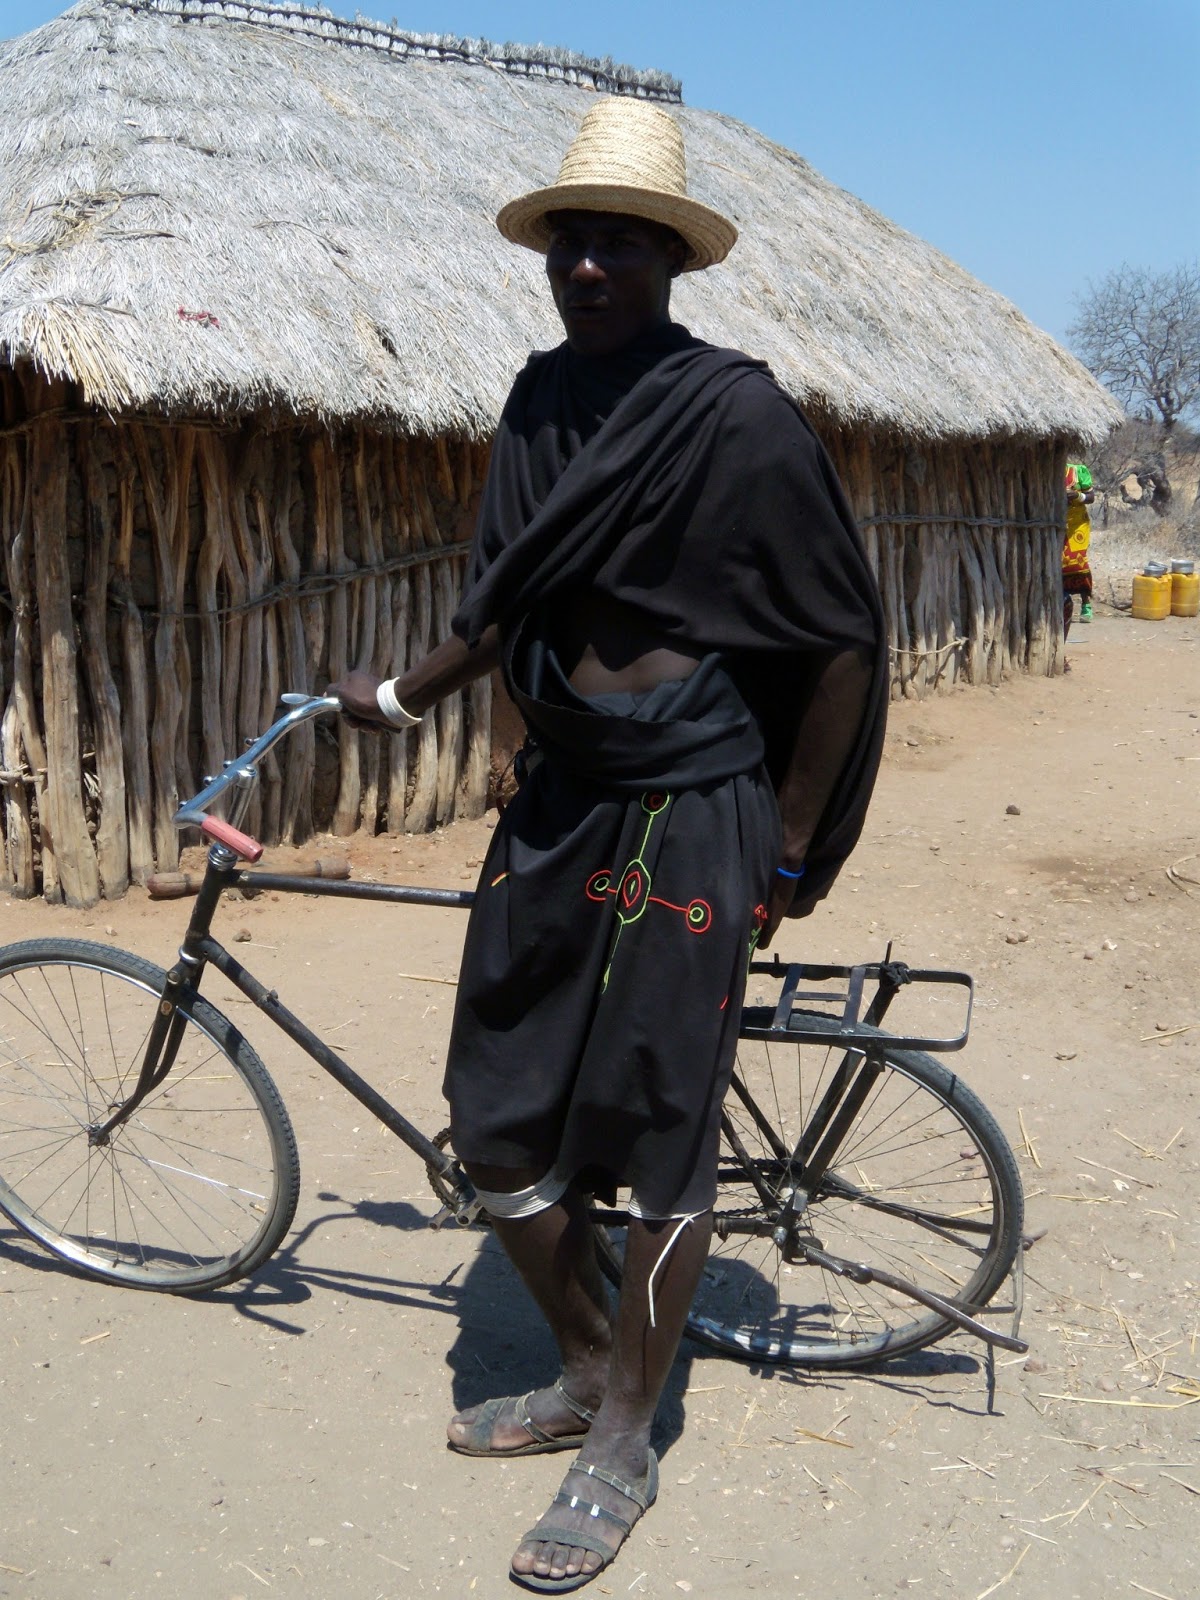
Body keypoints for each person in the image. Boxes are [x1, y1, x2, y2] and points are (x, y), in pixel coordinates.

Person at [331, 96, 886, 1594]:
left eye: (621, 241)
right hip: (567, 800)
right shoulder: (536, 400)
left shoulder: (737, 414)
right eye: (571, 237)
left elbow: (836, 638)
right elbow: (507, 595)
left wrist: (785, 834)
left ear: (669, 259)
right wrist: (414, 700)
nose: (588, 262)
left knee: (653, 1127)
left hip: (695, 812)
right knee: (497, 1115)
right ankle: (585, 1360)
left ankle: (623, 1439)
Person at [1063, 460, 1095, 635]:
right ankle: (1062, 601)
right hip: (1056, 523)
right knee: (1059, 562)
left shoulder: (1078, 471)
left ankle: (1086, 603)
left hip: (1077, 525)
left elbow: (1091, 498)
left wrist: (1077, 496)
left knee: (1078, 562)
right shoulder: (1044, 469)